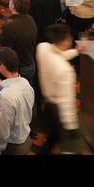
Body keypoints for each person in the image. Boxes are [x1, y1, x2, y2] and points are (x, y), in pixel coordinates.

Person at [36, 23, 85, 154]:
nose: (70, 41)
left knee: (52, 137)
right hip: (60, 112)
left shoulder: (42, 48)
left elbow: (57, 56)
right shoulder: (66, 70)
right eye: (69, 38)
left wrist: (76, 51)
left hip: (47, 104)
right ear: (64, 41)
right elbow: (66, 101)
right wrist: (71, 126)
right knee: (70, 146)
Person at [0, 47, 35, 155]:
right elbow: (14, 90)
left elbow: (2, 131)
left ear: (2, 66)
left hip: (12, 147)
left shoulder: (5, 98)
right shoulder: (25, 83)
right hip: (25, 137)